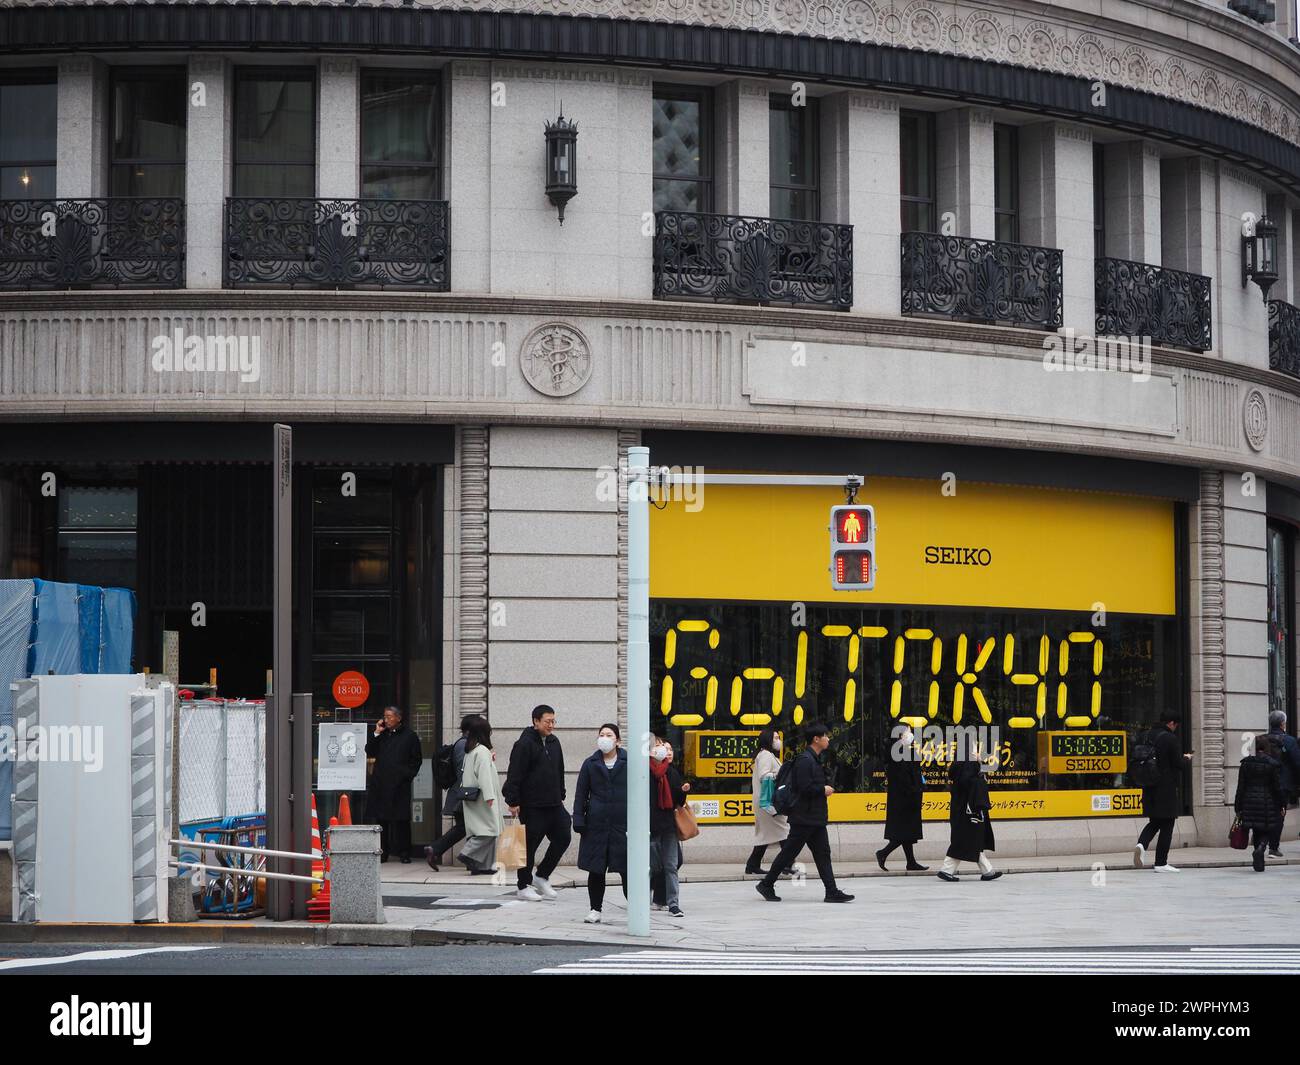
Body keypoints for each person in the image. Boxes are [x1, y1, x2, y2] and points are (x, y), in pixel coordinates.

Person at [755, 722, 854, 903]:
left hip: (814, 817)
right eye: (825, 735)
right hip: (804, 817)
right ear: (816, 739)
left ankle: (831, 891)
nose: (828, 738)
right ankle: (767, 884)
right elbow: (803, 787)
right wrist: (822, 789)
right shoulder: (805, 760)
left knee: (822, 853)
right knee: (788, 853)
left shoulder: (813, 759)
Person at [503, 704, 571, 902]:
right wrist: (513, 800)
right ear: (535, 721)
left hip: (554, 803)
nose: (551, 725)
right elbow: (514, 774)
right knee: (529, 846)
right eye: (547, 721)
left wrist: (562, 793)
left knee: (563, 836)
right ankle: (523, 886)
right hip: (532, 805)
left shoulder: (554, 741)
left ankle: (541, 876)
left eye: (553, 721)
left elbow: (560, 769)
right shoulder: (524, 744)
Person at [574, 723, 628, 924]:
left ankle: (636, 906)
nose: (604, 738)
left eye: (609, 735)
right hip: (596, 824)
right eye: (602, 734)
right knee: (596, 870)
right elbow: (581, 794)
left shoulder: (629, 761)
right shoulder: (590, 763)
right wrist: (578, 819)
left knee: (627, 870)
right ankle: (595, 909)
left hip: (623, 825)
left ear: (618, 740)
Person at [1133, 711, 1192, 872]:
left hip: (1148, 786)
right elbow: (1178, 764)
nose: (1176, 728)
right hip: (1165, 788)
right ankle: (1161, 863)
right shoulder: (1169, 738)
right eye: (1176, 725)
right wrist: (1186, 758)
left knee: (1155, 821)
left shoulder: (1145, 735)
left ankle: (1141, 844)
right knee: (1168, 824)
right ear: (1171, 723)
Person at [425, 714, 484, 872]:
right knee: (468, 827)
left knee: (466, 827)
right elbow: (465, 772)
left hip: (463, 794)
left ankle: (467, 860)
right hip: (463, 795)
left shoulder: (466, 744)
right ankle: (436, 849)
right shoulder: (464, 745)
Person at [364, 705, 423, 863]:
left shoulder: (410, 736)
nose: (386, 719)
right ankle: (383, 852)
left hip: (400, 784)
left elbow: (416, 760)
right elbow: (369, 751)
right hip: (381, 783)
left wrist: (407, 775)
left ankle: (404, 852)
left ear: (399, 718)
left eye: (390, 716)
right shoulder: (382, 735)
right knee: (382, 820)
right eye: (385, 716)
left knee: (401, 820)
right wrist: (376, 733)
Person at [937, 751, 1000, 882]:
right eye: (973, 749)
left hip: (962, 810)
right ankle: (946, 870)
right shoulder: (968, 766)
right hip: (969, 811)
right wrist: (979, 764)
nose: (977, 752)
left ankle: (987, 871)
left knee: (972, 840)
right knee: (964, 840)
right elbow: (973, 783)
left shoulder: (958, 766)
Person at [649, 733, 691, 917]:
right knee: (651, 866)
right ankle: (645, 899)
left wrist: (682, 792)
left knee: (671, 865)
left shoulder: (671, 771)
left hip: (668, 826)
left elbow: (678, 801)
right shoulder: (644, 771)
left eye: (663, 746)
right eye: (657, 746)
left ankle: (673, 903)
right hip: (649, 826)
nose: (661, 750)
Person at [877, 723, 928, 872]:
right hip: (904, 798)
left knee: (907, 830)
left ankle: (911, 862)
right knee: (904, 830)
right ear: (900, 735)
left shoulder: (902, 750)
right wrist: (914, 790)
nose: (910, 734)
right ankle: (883, 853)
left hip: (905, 797)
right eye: (908, 731)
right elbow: (903, 777)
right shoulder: (897, 752)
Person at [457, 717, 504, 873]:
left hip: (472, 796)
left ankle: (482, 866)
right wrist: (490, 796)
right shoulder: (482, 751)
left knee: (481, 831)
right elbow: (484, 775)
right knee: (490, 831)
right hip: (483, 798)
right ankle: (467, 853)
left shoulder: (472, 751)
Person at [1234, 734, 1284, 872]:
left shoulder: (1246, 763)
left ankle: (1259, 860)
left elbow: (1241, 786)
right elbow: (1277, 787)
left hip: (1248, 801)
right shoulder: (1272, 764)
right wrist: (1282, 804)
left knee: (1256, 829)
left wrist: (1237, 806)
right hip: (1267, 802)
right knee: (1266, 829)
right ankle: (1261, 847)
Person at [746, 727, 789, 875]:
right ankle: (788, 864)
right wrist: (779, 775)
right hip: (768, 802)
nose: (779, 741)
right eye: (776, 738)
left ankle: (752, 864)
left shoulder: (767, 755)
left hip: (765, 802)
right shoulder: (765, 755)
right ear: (768, 740)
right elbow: (764, 776)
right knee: (784, 831)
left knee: (766, 834)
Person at [1265, 710, 1300, 858]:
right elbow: (1297, 763)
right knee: (1279, 813)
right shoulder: (1290, 741)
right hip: (1283, 784)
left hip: (1265, 782)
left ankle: (1261, 842)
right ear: (1282, 723)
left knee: (1265, 812)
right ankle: (1273, 847)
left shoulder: (1262, 739)